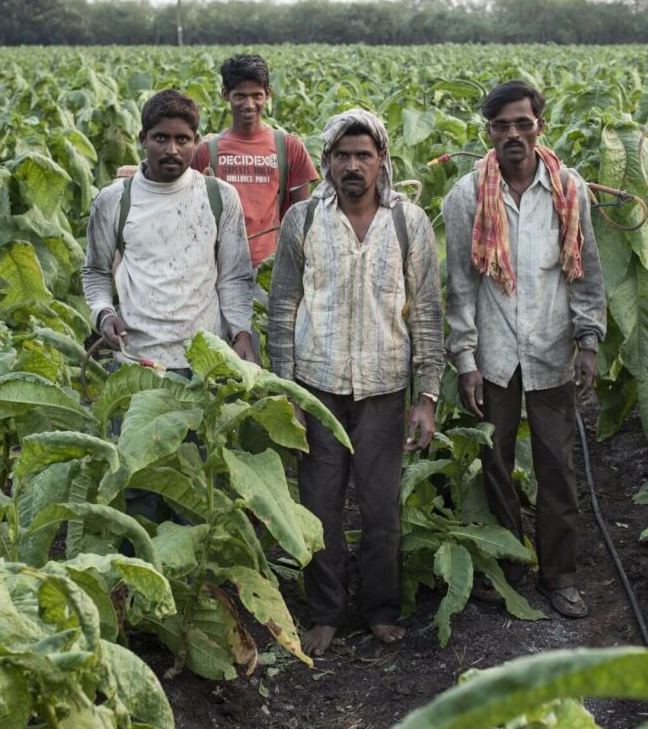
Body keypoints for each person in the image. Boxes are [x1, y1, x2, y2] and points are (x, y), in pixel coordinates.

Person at [268, 108, 444, 656]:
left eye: (363, 155)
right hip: (316, 385)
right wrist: (286, 392)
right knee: (319, 507)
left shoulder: (407, 221)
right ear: (327, 162)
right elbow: (282, 307)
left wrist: (429, 396)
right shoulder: (303, 219)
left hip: (384, 387)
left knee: (380, 506)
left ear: (382, 160)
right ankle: (325, 613)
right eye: (342, 155)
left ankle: (379, 609)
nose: (352, 165)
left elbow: (427, 314)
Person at [443, 80, 607, 619]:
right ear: (487, 131)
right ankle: (508, 564)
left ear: (540, 124)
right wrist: (464, 360)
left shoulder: (567, 187)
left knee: (557, 466)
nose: (513, 134)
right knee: (496, 460)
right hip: (494, 353)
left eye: (523, 123)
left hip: (551, 348)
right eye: (501, 125)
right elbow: (463, 285)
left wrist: (589, 339)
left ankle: (559, 575)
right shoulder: (467, 195)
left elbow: (583, 272)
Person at [83, 89, 257, 372]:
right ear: (143, 139)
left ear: (196, 143)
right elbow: (95, 271)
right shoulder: (113, 199)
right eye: (161, 138)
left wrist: (241, 333)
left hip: (206, 362)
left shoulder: (220, 197)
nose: (172, 150)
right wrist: (104, 314)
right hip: (137, 361)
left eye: (182, 139)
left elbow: (234, 277)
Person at [192, 53, 319, 267]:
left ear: (268, 94)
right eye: (240, 96)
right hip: (219, 268)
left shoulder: (289, 148)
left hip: (271, 267)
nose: (249, 104)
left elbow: (302, 218)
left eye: (256, 95)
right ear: (225, 94)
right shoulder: (206, 152)